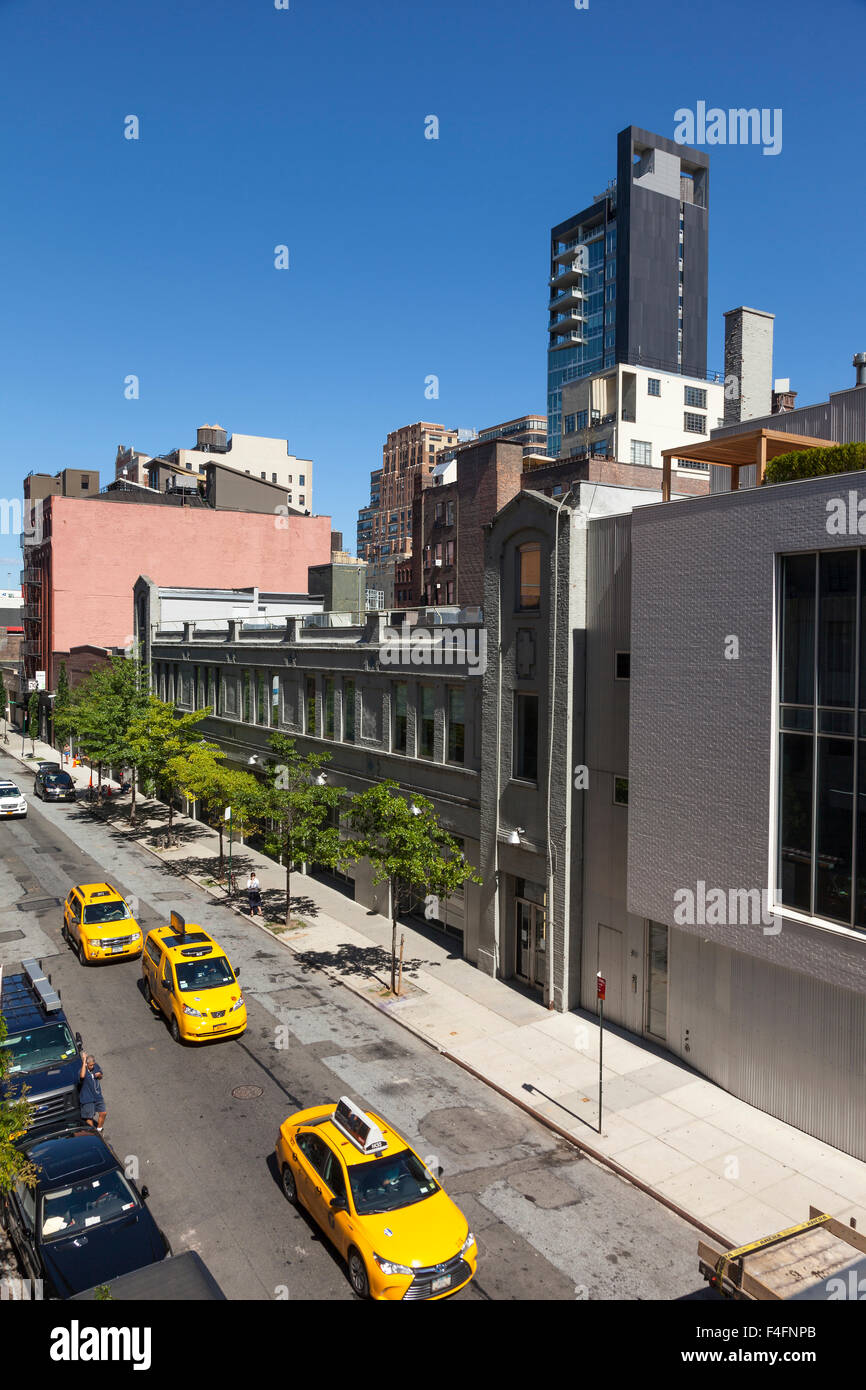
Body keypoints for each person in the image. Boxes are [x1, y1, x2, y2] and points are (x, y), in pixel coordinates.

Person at [78, 1051, 107, 1132]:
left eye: (93, 1064)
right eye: (91, 1065)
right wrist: (84, 1061)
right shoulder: (82, 1070)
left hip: (97, 1096)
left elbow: (101, 1076)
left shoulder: (96, 1067)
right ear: (87, 1065)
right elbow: (82, 1076)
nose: (93, 1066)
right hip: (87, 1098)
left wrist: (99, 1075)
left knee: (103, 1113)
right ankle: (93, 1133)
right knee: (89, 1117)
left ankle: (99, 1129)